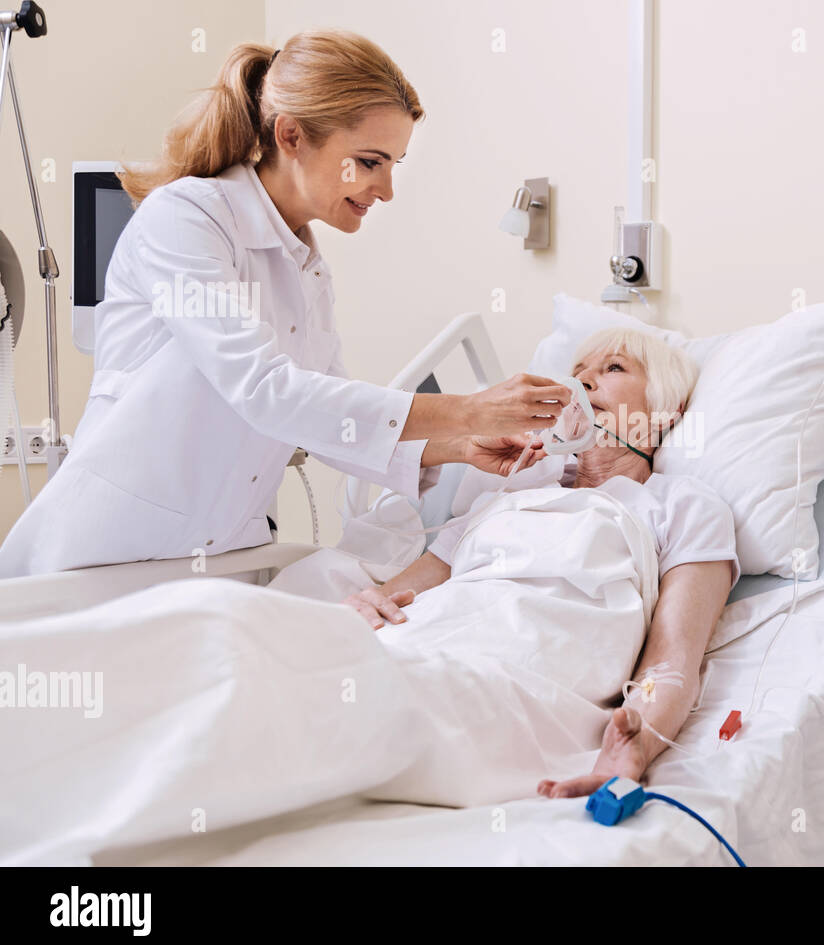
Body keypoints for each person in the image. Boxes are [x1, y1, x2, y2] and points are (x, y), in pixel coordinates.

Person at [0, 30, 565, 578]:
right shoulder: (187, 218)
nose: (387, 189)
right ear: (291, 135)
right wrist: (470, 408)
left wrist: (457, 446)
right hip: (108, 551)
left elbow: (327, 422)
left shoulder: (305, 265)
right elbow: (265, 389)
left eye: (394, 164)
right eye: (370, 162)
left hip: (215, 557)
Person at [344, 327, 740, 800]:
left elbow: (672, 662)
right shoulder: (512, 490)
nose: (585, 382)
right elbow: (395, 594)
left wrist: (633, 744)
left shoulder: (684, 505)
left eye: (613, 368)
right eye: (577, 374)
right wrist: (358, 610)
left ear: (663, 415)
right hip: (426, 636)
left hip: (524, 669)